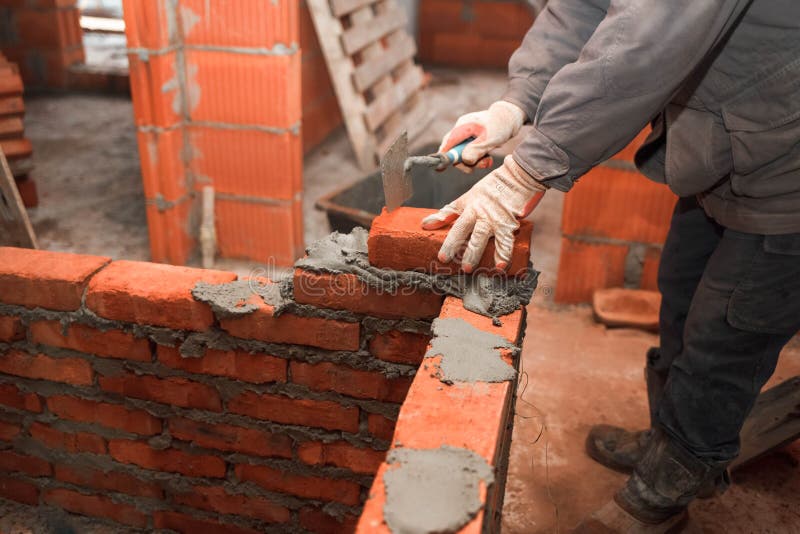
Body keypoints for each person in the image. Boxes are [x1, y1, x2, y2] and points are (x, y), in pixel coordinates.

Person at [423, 0, 800, 531]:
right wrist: (516, 103)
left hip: (787, 167)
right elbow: (585, 7)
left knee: (725, 338)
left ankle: (664, 491)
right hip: (734, 143)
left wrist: (529, 169)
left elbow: (645, 41)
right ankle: (669, 442)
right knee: (682, 294)